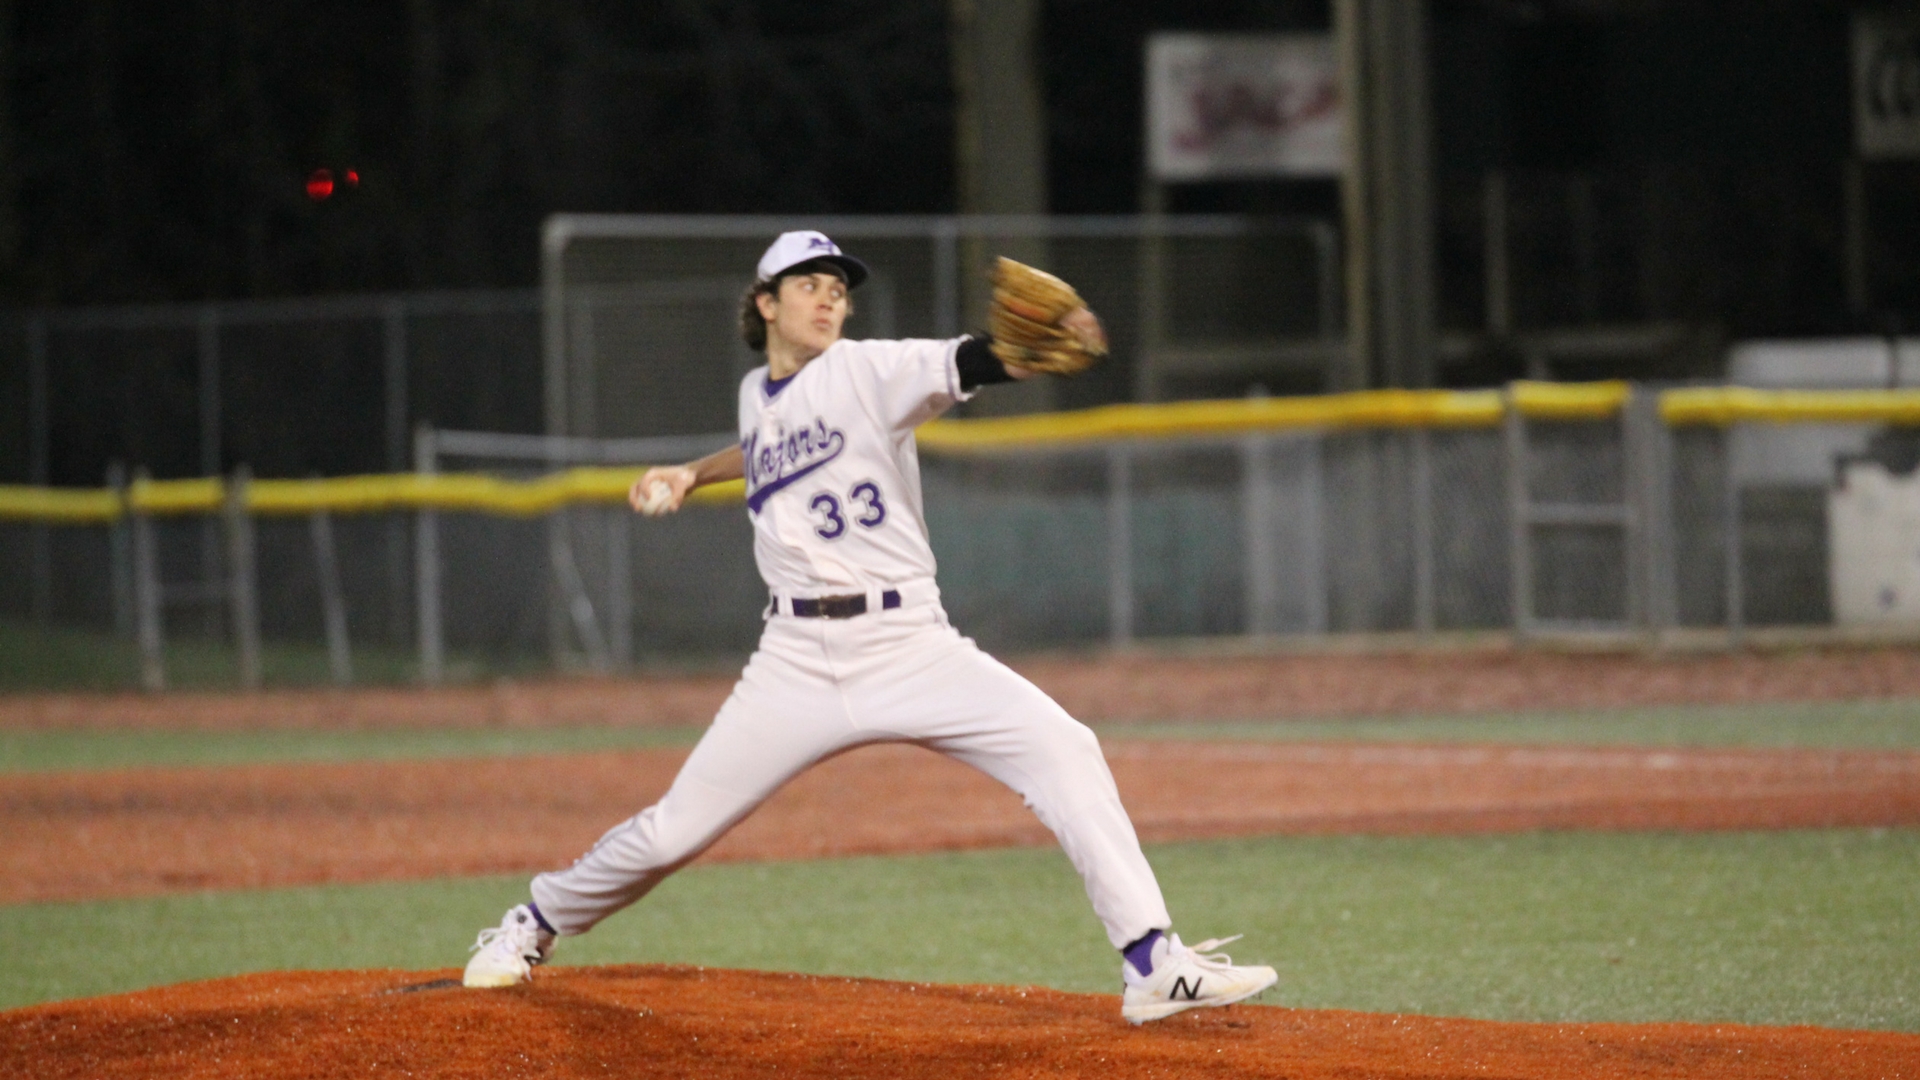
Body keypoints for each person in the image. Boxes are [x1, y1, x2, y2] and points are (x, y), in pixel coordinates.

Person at [462, 230, 1277, 1024]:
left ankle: (1151, 963)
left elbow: (967, 362)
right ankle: (531, 924)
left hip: (909, 643)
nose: (829, 298)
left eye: (839, 287)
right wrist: (691, 474)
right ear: (765, 304)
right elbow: (762, 443)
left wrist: (1028, 354)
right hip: (793, 661)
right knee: (674, 832)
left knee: (1066, 747)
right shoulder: (759, 395)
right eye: (809, 284)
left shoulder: (866, 369)